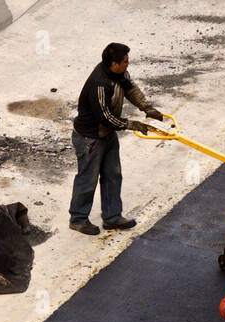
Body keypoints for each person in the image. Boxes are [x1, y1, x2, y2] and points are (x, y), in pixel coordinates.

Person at [69, 42, 163, 235]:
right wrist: (132, 124)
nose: (128, 64)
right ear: (114, 63)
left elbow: (131, 89)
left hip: (107, 135)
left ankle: (112, 217)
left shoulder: (120, 74)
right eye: (125, 61)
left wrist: (148, 108)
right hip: (90, 138)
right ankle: (78, 219)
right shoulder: (100, 84)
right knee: (88, 179)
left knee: (113, 175)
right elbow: (105, 117)